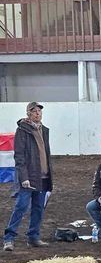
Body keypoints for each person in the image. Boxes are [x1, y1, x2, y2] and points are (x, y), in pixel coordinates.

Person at [3, 101, 53, 252]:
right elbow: (19, 156)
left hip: (43, 176)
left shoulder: (44, 130)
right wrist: (23, 177)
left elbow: (46, 153)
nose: (37, 113)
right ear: (28, 114)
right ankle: (9, 238)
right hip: (29, 178)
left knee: (38, 208)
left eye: (39, 111)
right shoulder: (22, 131)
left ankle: (33, 237)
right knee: (21, 207)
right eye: (34, 111)